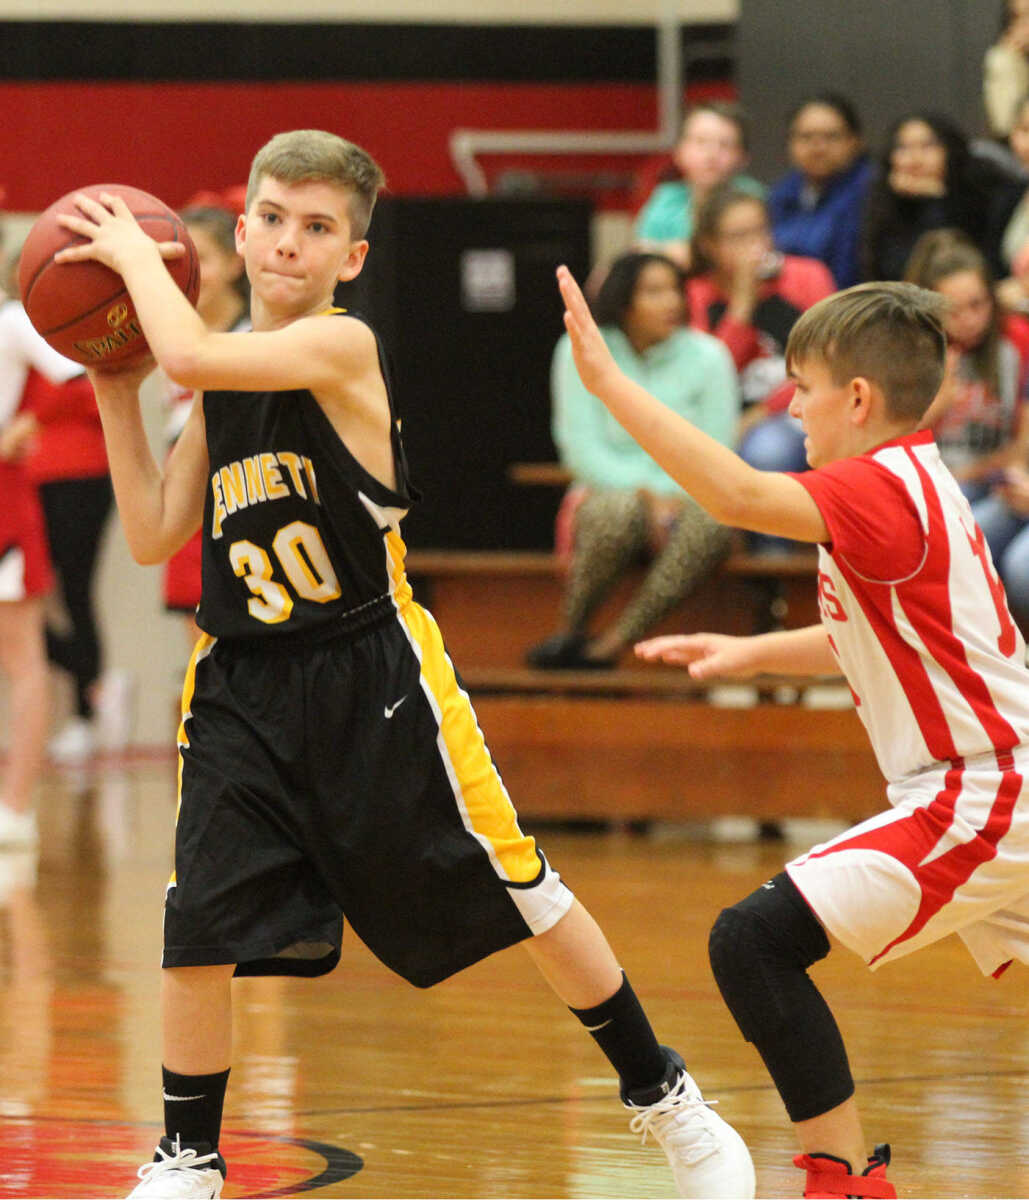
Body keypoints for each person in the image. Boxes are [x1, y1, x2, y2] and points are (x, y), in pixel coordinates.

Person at [53, 129, 755, 1200]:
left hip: (371, 674)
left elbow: (191, 351)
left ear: (353, 258)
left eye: (318, 228)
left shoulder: (343, 349)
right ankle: (187, 1154)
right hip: (240, 680)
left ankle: (663, 1094)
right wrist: (113, 376)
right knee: (195, 921)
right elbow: (153, 531)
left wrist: (136, 260)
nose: (290, 244)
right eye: (274, 219)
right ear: (240, 232)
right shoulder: (220, 386)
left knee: (521, 890)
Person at [558, 262, 1029, 1198]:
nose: (791, 407)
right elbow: (878, 638)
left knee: (752, 941)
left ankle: (844, 1180)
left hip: (981, 790)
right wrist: (750, 654)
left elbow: (733, 496)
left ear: (856, 398)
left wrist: (609, 384)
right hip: (993, 784)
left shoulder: (876, 487)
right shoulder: (912, 482)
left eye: (802, 389)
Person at [526, 250, 739, 670]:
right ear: (623, 300)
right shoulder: (578, 350)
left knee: (716, 521)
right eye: (654, 292)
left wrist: (670, 496)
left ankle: (614, 641)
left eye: (675, 291)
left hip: (692, 494)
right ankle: (572, 628)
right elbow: (580, 450)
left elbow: (718, 450)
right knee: (618, 512)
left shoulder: (711, 357)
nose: (672, 303)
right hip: (610, 491)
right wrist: (645, 493)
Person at [687, 184, 835, 485]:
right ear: (708, 245)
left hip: (800, 411)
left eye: (760, 232)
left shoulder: (808, 276)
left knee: (767, 453)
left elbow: (828, 364)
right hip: (721, 417)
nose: (756, 246)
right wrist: (741, 306)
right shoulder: (695, 295)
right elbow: (707, 378)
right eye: (739, 237)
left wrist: (763, 412)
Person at [159, 201, 250, 647]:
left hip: (238, 509)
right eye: (176, 261)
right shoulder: (170, 338)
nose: (188, 272)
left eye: (202, 260)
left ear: (236, 262)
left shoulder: (257, 340)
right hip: (187, 508)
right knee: (198, 652)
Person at [904, 230, 1029, 503]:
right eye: (954, 310)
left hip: (993, 479)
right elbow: (888, 441)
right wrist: (940, 402)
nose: (970, 319)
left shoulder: (1017, 340)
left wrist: (974, 472)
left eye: (977, 304)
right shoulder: (913, 349)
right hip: (927, 482)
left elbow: (1022, 444)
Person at [0, 276, 55, 847]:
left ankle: (15, 808)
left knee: (22, 658)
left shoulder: (13, 321)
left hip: (4, 506)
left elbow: (82, 364)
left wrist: (32, 419)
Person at [861, 111, 1022, 283]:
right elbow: (891, 269)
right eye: (902, 148)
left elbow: (963, 259)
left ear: (950, 150)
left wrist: (937, 198)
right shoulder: (885, 202)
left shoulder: (986, 193)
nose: (914, 159)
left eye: (927, 146)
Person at [633, 101, 764, 271]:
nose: (711, 155)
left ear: (743, 157)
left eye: (725, 145)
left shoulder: (753, 198)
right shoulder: (667, 197)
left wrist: (678, 253)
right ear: (678, 151)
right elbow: (640, 254)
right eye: (700, 142)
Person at [767, 93, 872, 290]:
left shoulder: (873, 192)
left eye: (831, 137)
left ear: (855, 141)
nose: (818, 147)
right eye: (806, 137)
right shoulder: (781, 193)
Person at [983, 0, 1029, 140]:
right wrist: (1012, 62)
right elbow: (1003, 123)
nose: (1024, 25)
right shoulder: (1006, 60)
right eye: (1016, 17)